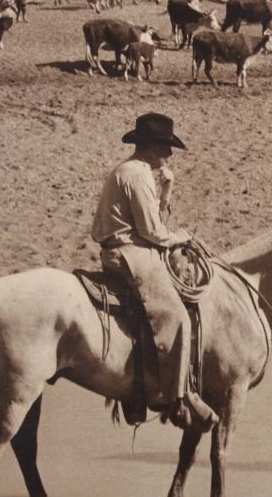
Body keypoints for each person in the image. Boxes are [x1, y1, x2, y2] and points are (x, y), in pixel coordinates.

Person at [91, 112, 214, 430]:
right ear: (152, 147)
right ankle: (177, 398)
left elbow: (152, 221)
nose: (170, 154)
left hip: (128, 245)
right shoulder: (136, 175)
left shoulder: (136, 171)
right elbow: (153, 231)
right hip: (128, 252)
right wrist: (182, 237)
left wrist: (168, 188)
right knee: (177, 317)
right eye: (166, 147)